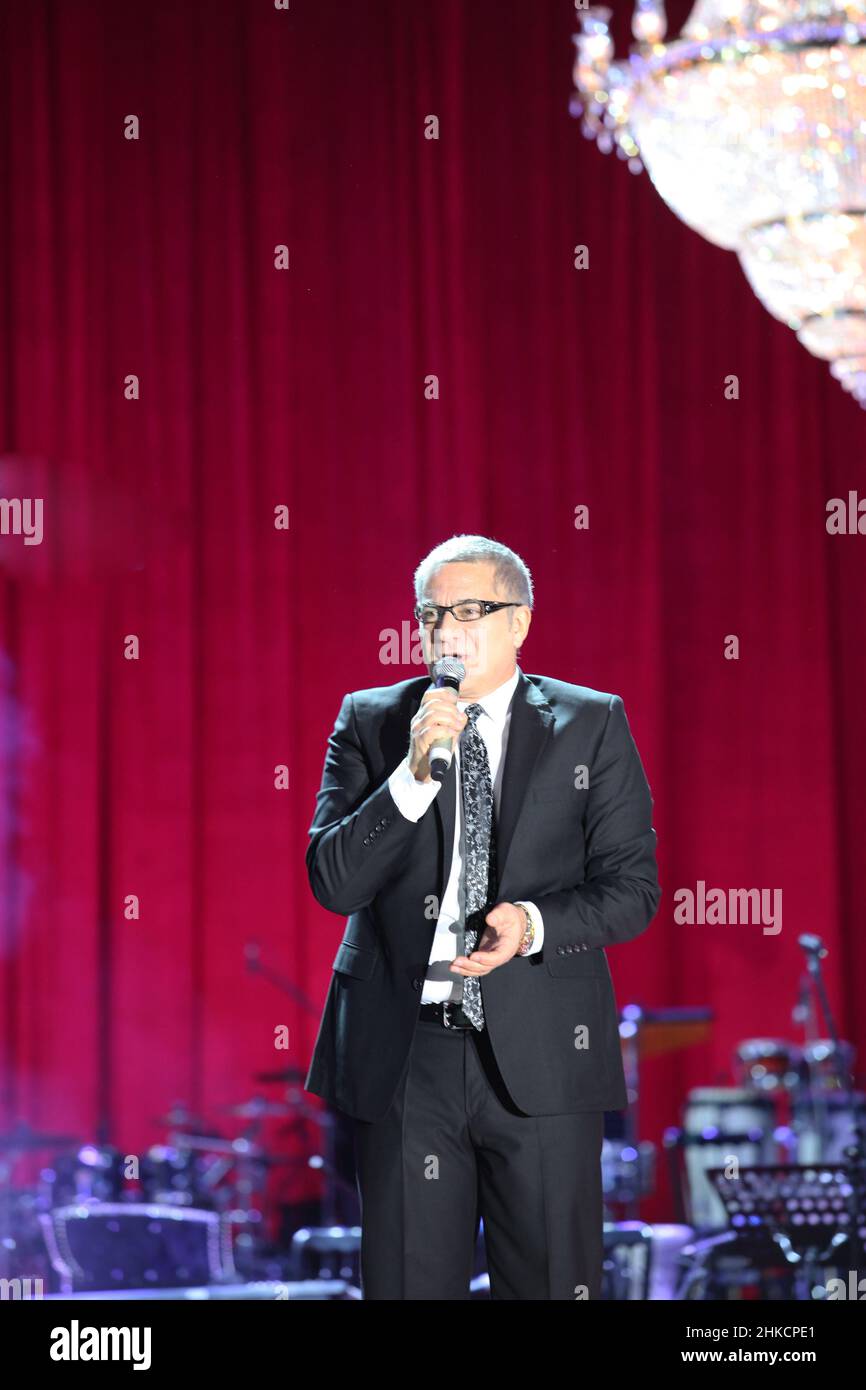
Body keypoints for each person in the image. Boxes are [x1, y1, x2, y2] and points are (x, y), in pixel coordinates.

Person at [305, 534, 661, 1299]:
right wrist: (409, 776)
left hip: (540, 1052)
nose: (447, 632)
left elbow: (632, 888)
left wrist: (531, 924)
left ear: (520, 623)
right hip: (406, 1056)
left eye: (471, 611)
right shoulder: (373, 721)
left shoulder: (590, 723)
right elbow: (333, 883)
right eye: (432, 615)